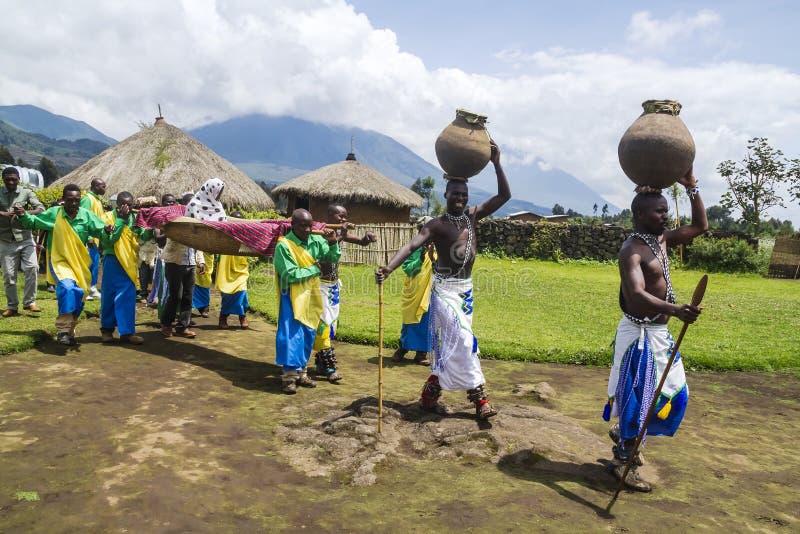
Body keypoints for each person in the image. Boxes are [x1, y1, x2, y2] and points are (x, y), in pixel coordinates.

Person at [375, 141, 510, 420]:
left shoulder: (473, 216)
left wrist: (497, 163)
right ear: (446, 194)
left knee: (451, 345)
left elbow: (504, 196)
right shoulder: (436, 225)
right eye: (455, 193)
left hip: (466, 292)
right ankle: (480, 399)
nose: (460, 198)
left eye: (464, 194)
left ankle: (429, 395)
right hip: (444, 291)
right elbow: (411, 246)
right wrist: (389, 268)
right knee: (464, 340)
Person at [604, 166, 707, 492]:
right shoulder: (631, 250)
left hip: (659, 335)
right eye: (660, 211)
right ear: (640, 215)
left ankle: (624, 435)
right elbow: (636, 295)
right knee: (638, 400)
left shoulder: (661, 240)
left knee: (673, 394)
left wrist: (691, 187)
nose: (666, 216)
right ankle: (624, 461)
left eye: (665, 210)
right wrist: (676, 310)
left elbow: (700, 227)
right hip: (639, 337)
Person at [15, 184, 113, 345]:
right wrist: (23, 215)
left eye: (77, 200)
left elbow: (100, 230)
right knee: (67, 288)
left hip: (80, 262)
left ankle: (70, 327)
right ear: (63, 199)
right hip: (59, 261)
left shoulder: (86, 216)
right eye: (70, 200)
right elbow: (34, 221)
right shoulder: (55, 214)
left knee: (80, 293)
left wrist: (107, 230)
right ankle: (63, 330)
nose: (74, 203)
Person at [274, 209, 339, 394]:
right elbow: (290, 274)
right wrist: (315, 269)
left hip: (311, 294)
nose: (308, 230)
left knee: (308, 333)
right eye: (303, 226)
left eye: (310, 226)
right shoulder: (284, 246)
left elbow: (331, 258)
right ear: (293, 225)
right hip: (292, 296)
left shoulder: (315, 241)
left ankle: (302, 373)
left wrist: (332, 242)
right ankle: (288, 377)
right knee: (291, 335)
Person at [312, 204, 377, 383]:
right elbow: (328, 247)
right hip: (320, 285)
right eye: (340, 216)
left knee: (331, 324)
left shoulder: (339, 232)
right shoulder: (319, 232)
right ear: (329, 215)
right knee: (324, 324)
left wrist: (367, 237)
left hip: (333, 286)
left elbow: (361, 242)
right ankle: (330, 368)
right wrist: (341, 234)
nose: (343, 219)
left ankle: (320, 363)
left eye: (345, 216)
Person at [99, 191, 153, 344]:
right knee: (109, 295)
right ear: (117, 204)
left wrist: (150, 225)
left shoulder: (135, 218)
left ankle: (127, 332)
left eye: (129, 204)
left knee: (128, 297)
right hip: (112, 260)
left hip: (129, 262)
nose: (127, 207)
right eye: (123, 204)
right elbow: (110, 241)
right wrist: (121, 220)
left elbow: (144, 236)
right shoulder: (107, 217)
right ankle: (107, 330)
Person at [158, 190, 207, 338]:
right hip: (175, 261)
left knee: (188, 296)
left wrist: (200, 261)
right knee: (176, 296)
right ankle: (166, 324)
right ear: (183, 204)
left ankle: (183, 326)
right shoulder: (174, 218)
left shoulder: (197, 220)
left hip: (190, 262)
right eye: (190, 203)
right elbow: (161, 238)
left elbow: (198, 243)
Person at [0, 167, 45, 317]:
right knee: (9, 275)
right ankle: (12, 306)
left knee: (32, 267)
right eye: (8, 179)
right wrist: (3, 213)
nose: (11, 182)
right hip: (5, 239)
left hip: (25, 237)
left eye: (14, 179)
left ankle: (29, 302)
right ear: (3, 179)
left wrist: (25, 213)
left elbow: (40, 208)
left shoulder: (26, 192)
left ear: (19, 179)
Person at [392, 222, 435, 365]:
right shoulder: (413, 248)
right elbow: (407, 268)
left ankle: (421, 354)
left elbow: (442, 268)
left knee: (426, 322)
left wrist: (432, 258)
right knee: (409, 321)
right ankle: (403, 348)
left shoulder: (439, 248)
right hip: (413, 290)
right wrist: (420, 259)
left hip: (430, 290)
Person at [216, 212, 249, 329]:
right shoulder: (223, 234)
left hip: (240, 269)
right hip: (226, 269)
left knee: (242, 291)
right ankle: (223, 317)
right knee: (227, 295)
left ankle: (242, 316)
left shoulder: (247, 234)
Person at [147, 194, 176, 309]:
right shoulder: (158, 218)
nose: (170, 204)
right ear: (162, 204)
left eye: (173, 202)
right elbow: (158, 239)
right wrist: (170, 232)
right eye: (168, 202)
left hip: (175, 255)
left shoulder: (177, 217)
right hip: (163, 254)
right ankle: (161, 301)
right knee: (162, 278)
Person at [80, 178, 107, 300]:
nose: (104, 189)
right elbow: (83, 217)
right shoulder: (87, 199)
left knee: (95, 263)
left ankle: (92, 288)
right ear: (95, 186)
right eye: (102, 186)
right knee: (88, 264)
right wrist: (89, 237)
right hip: (89, 239)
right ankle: (84, 289)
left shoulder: (97, 200)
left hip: (97, 238)